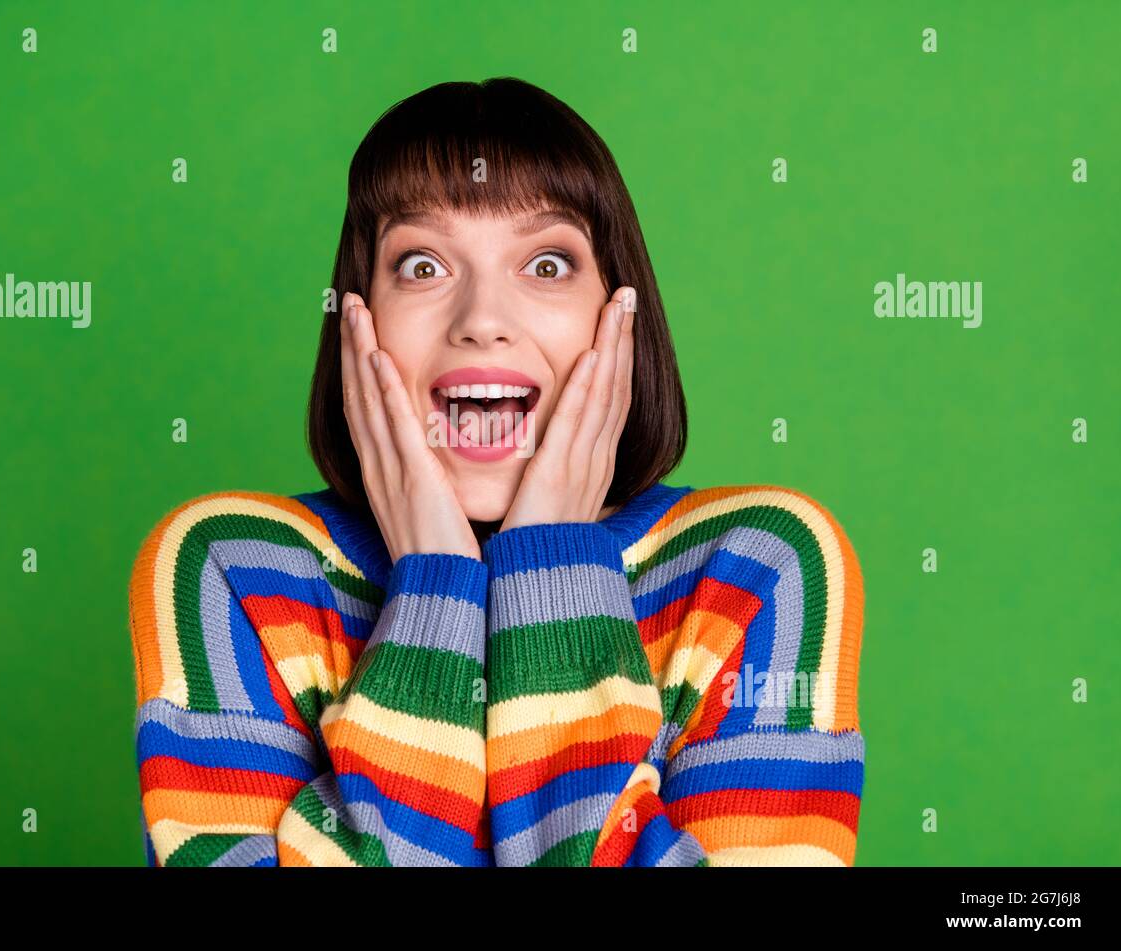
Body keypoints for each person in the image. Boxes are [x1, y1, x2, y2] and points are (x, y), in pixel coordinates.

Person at [127, 77, 865, 867]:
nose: (481, 319)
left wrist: (551, 565)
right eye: (421, 266)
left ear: (618, 317)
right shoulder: (231, 570)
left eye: (546, 264)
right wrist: (434, 586)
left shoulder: (758, 570)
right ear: (355, 317)